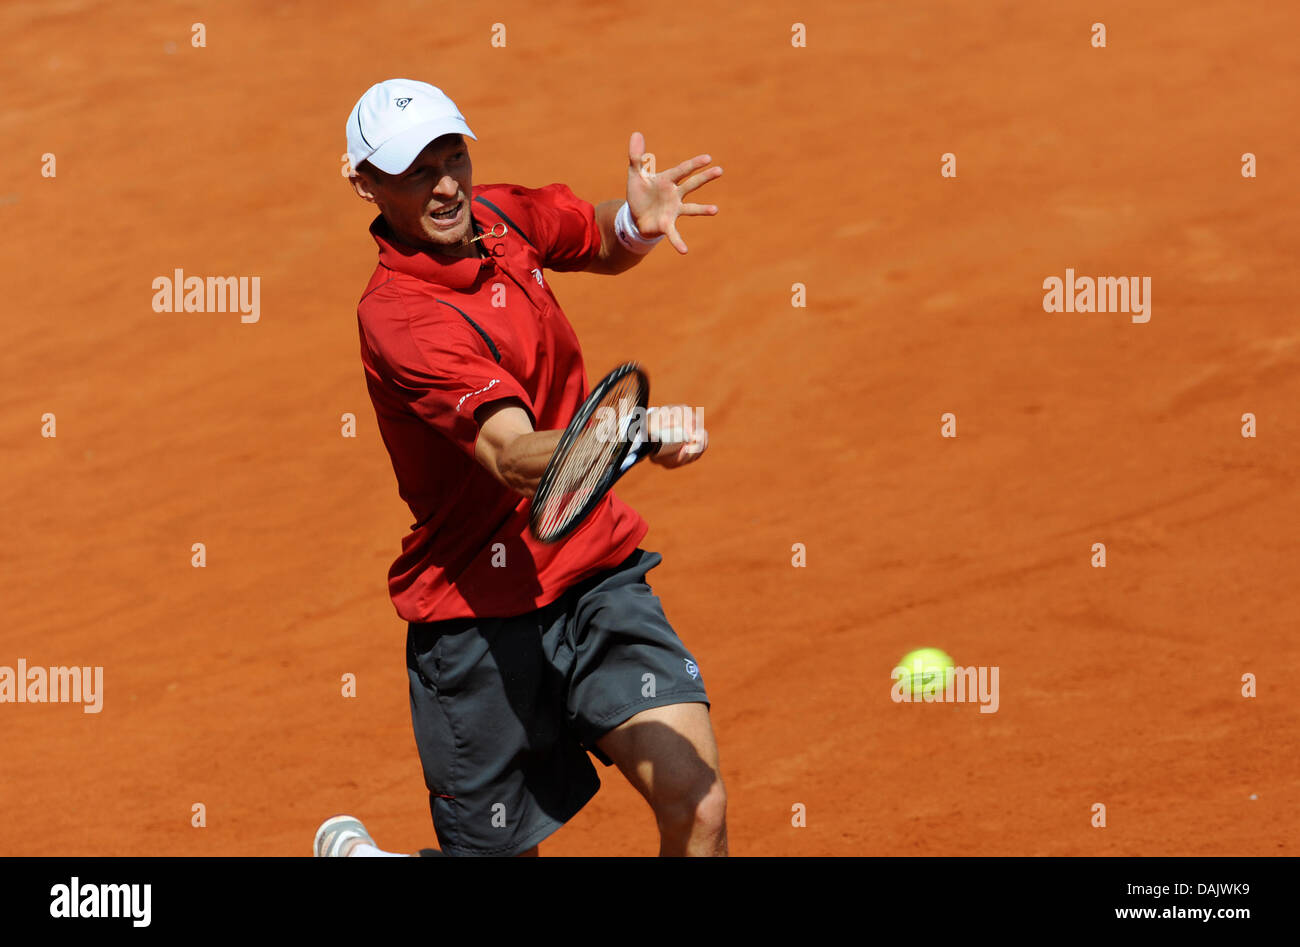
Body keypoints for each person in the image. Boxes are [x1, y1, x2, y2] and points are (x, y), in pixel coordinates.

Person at [315, 78, 726, 857]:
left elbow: (595, 235)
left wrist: (637, 221)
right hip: (475, 617)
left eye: (454, 156)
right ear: (363, 183)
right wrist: (630, 435)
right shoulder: (399, 317)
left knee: (697, 801)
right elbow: (512, 455)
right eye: (415, 171)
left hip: (592, 574)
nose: (446, 185)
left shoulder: (497, 215)